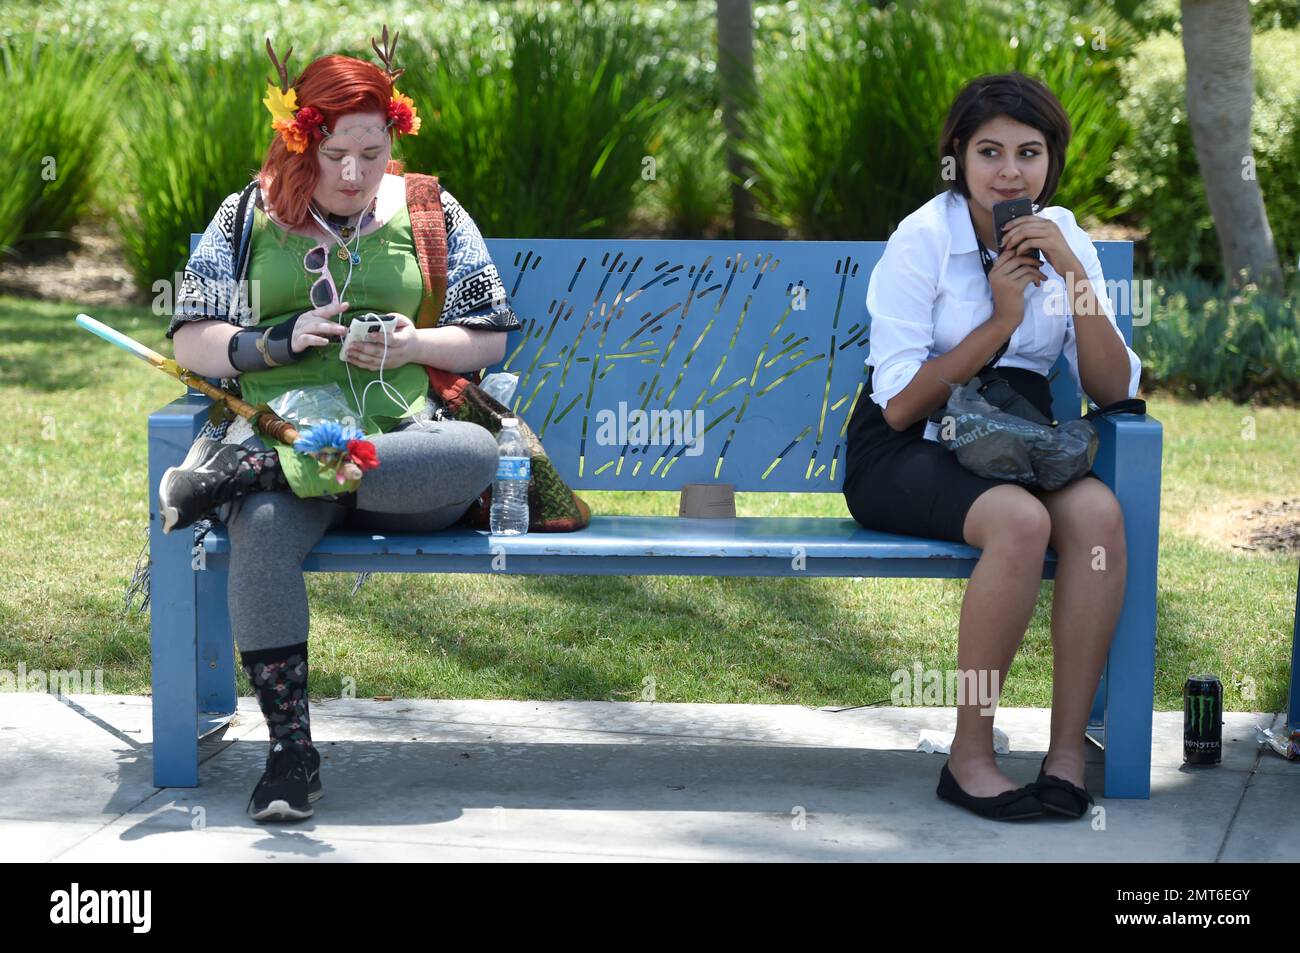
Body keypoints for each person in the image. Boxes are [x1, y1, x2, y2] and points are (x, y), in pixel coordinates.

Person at [159, 31, 521, 822]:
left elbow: (489, 334)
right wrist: (274, 343)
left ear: (394, 135)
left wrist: (411, 343)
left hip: (401, 464)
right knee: (261, 523)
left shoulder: (430, 207)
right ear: (302, 142)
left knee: (471, 449)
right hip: (288, 434)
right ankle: (292, 755)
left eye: (372, 150)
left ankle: (243, 471)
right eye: (335, 155)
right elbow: (191, 337)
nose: (355, 173)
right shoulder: (248, 213)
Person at [843, 72, 1141, 821]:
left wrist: (1073, 275)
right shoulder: (923, 239)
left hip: (1019, 439)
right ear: (958, 159)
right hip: (911, 444)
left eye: (1029, 153)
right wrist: (1002, 321)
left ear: (1052, 161)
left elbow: (1113, 392)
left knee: (1099, 518)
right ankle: (969, 755)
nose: (1010, 172)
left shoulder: (1064, 236)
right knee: (1020, 521)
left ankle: (1066, 752)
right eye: (989, 152)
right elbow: (903, 400)